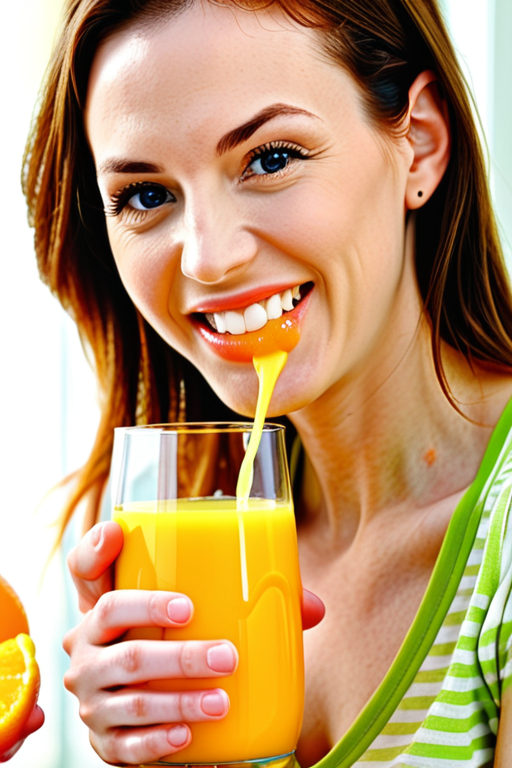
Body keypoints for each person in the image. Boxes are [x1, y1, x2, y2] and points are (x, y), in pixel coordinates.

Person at [23, 0, 512, 765]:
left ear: (418, 143)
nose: (208, 259)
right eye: (147, 195)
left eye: (272, 158)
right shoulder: (184, 543)